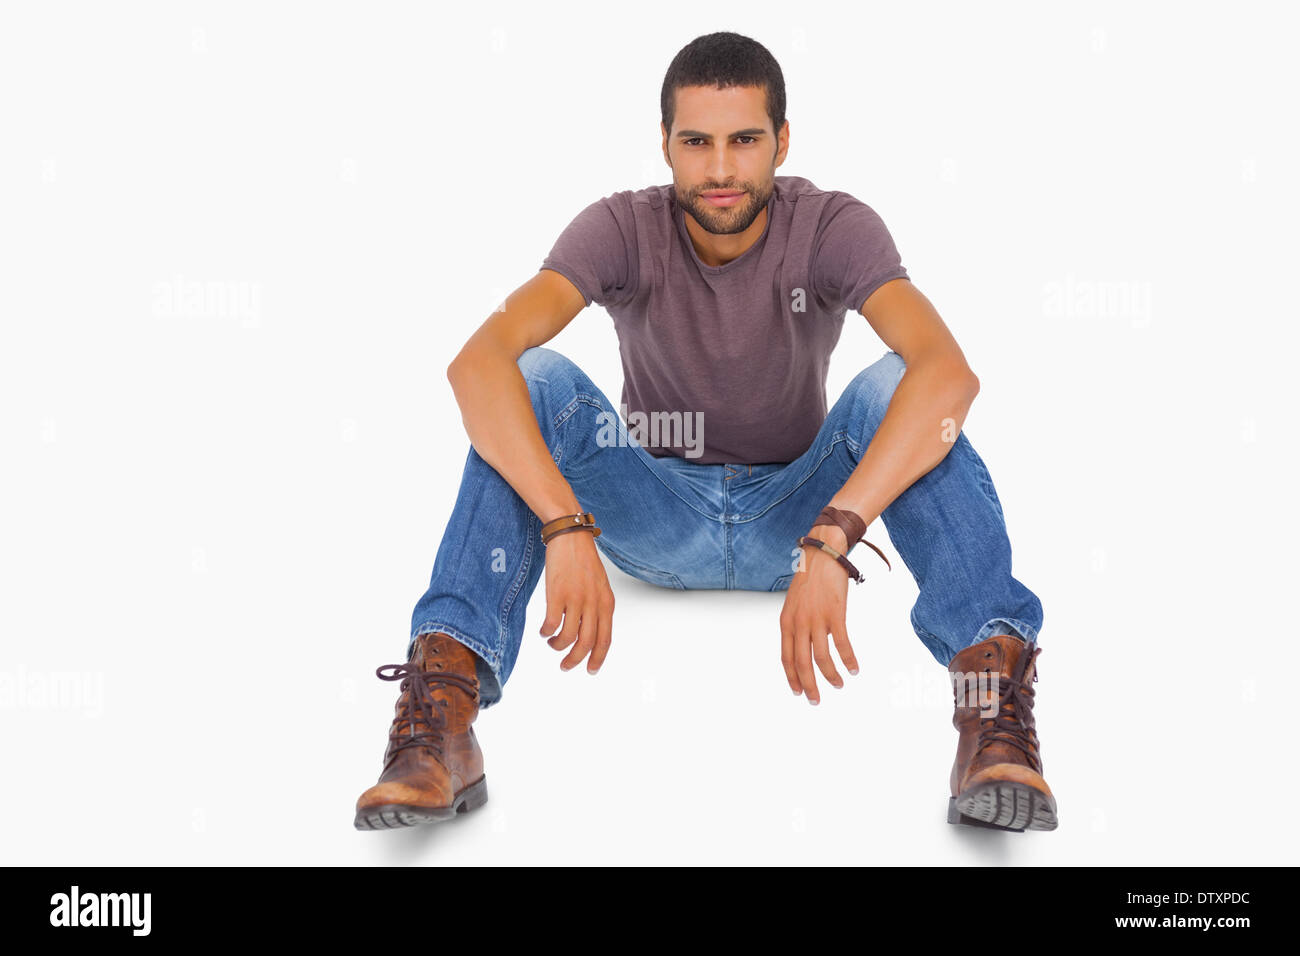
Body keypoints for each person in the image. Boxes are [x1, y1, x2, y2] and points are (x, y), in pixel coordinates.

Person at [354, 31, 1056, 834]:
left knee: (898, 386)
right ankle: (441, 721)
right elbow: (475, 364)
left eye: (744, 140)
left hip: (802, 509)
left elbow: (948, 373)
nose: (720, 170)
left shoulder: (833, 225)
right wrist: (562, 520)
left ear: (781, 142)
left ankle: (990, 719)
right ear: (666, 146)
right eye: (696, 142)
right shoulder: (620, 227)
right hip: (652, 510)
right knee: (532, 377)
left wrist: (833, 535)